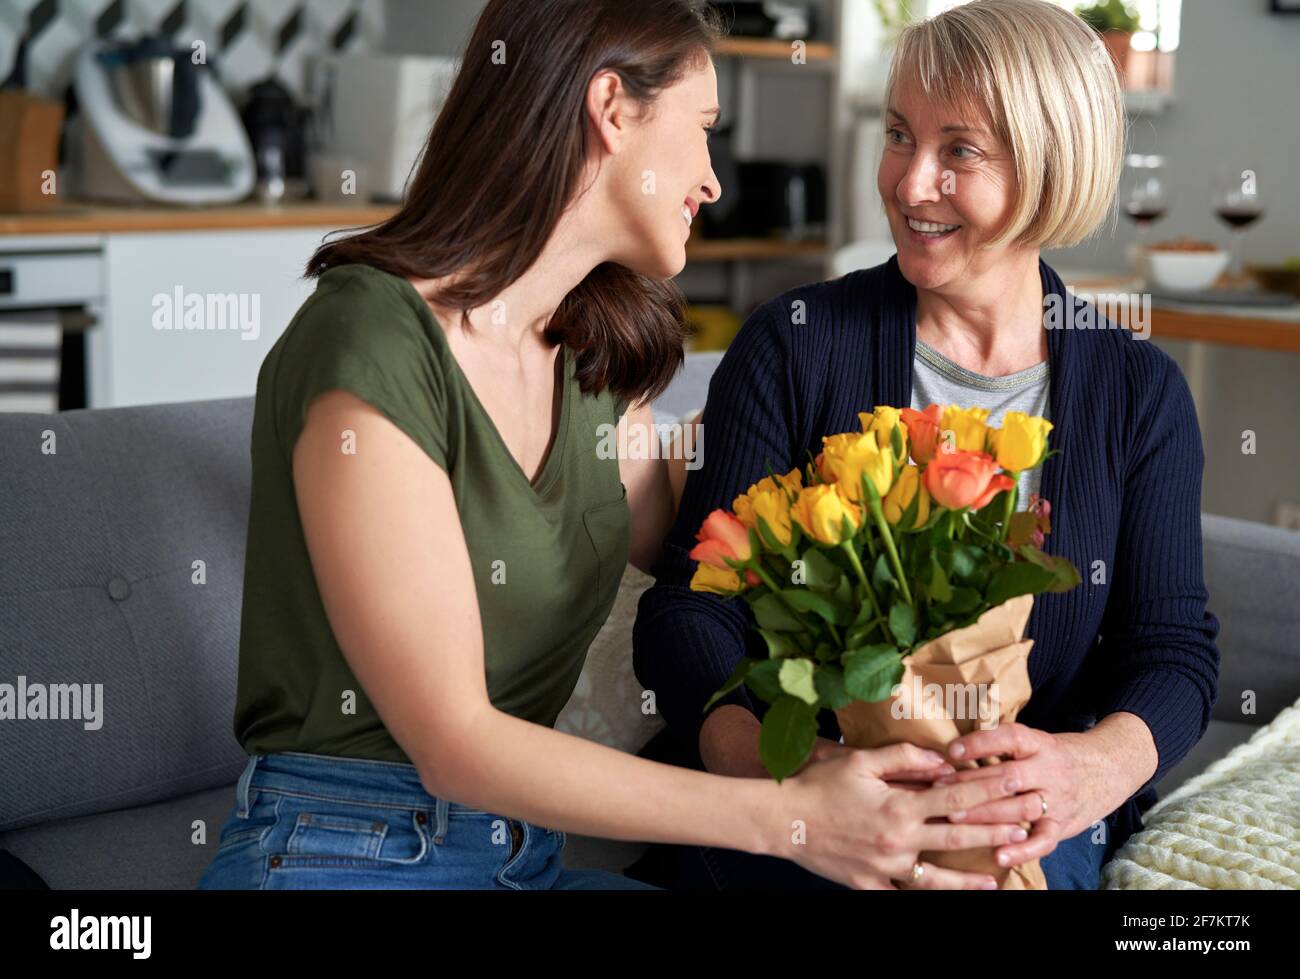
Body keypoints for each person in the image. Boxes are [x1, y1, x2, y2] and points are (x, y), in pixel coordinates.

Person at [197, 0, 1029, 892]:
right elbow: (454, 742)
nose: (712, 181)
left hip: (521, 861)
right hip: (342, 849)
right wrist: (792, 819)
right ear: (612, 108)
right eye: (703, 130)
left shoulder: (591, 358)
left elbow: (717, 550)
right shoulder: (369, 338)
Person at [630, 0, 1220, 891]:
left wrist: (1087, 772)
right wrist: (784, 776)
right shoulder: (795, 340)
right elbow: (691, 608)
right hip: (796, 798)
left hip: (1014, 820)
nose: (910, 184)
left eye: (960, 151)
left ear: (1052, 168)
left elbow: (1172, 648)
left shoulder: (1140, 394)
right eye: (900, 136)